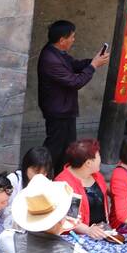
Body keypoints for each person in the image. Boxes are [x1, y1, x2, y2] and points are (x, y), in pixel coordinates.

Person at [37, 20, 111, 173]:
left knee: (68, 147)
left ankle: (61, 176)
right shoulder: (50, 59)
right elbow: (75, 82)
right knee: (54, 147)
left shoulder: (57, 52)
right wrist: (94, 66)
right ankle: (38, 175)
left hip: (65, 109)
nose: (73, 39)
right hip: (58, 111)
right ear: (62, 40)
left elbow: (75, 65)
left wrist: (93, 61)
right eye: (71, 37)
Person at [53, 138, 112, 240]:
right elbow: (71, 218)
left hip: (102, 231)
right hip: (82, 237)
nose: (100, 159)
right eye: (99, 156)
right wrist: (89, 230)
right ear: (88, 163)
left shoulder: (96, 175)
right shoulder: (67, 185)